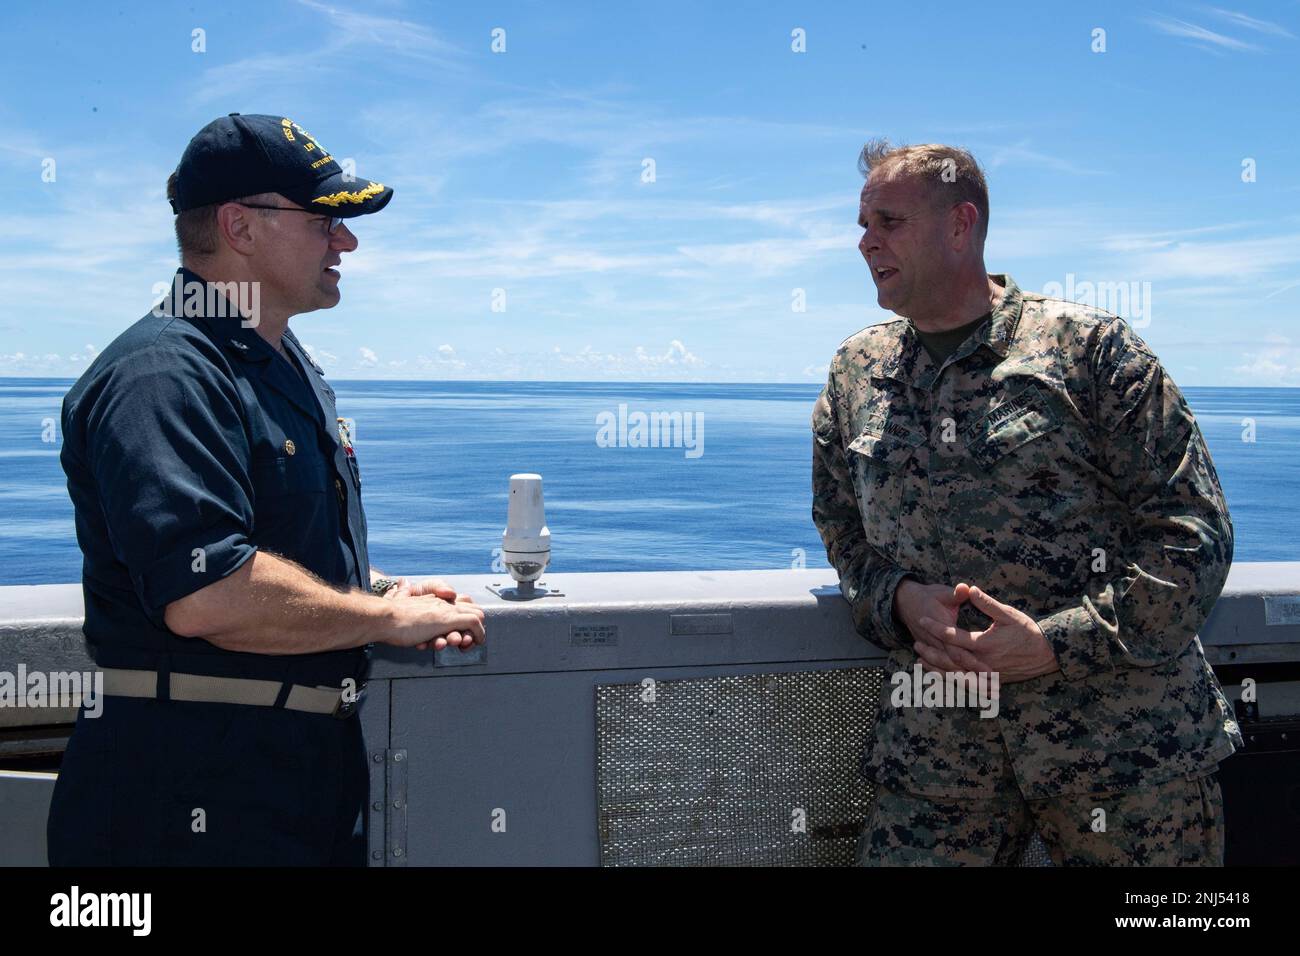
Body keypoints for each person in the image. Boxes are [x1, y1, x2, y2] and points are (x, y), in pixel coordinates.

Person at [48, 113, 486, 866]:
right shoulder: (165, 375)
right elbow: (208, 592)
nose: (345, 242)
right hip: (186, 801)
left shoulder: (282, 367)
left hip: (295, 783)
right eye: (325, 221)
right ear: (240, 227)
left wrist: (377, 588)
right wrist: (381, 618)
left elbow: (274, 542)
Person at [811, 139, 1241, 866]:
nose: (864, 242)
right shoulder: (857, 372)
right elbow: (840, 529)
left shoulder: (1091, 353)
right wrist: (897, 600)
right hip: (942, 764)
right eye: (862, 223)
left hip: (1123, 757)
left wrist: (1054, 645)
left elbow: (1191, 534)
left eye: (887, 220)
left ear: (960, 225)